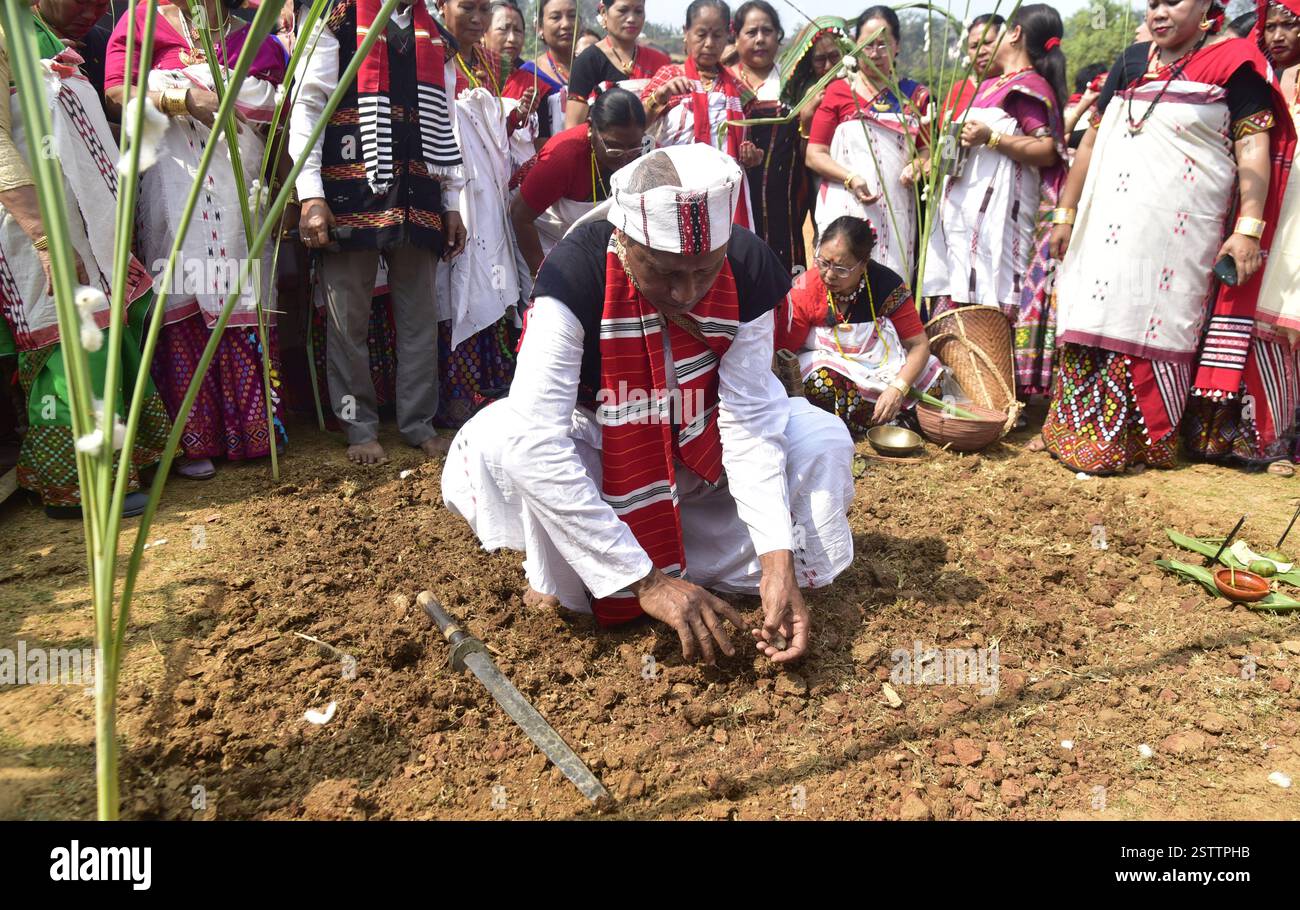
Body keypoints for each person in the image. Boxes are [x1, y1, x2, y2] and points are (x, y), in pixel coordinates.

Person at [442, 144, 856, 664]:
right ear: (624, 238)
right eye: (665, 272)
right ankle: (604, 573)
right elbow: (534, 445)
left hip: (704, 447)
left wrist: (777, 559)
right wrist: (649, 583)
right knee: (502, 441)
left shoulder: (748, 266)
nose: (686, 292)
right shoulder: (576, 273)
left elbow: (749, 418)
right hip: (608, 451)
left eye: (704, 273)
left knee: (820, 436)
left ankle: (747, 571)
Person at [1041, 0, 1294, 475]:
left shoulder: (1235, 63)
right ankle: (1071, 431)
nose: (1159, 12)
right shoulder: (1133, 61)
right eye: (1152, 2)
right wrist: (1065, 213)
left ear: (1207, 7)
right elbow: (1093, 140)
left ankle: (1141, 441)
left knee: (1148, 318)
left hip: (1176, 232)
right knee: (1096, 308)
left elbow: (1253, 148)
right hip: (1106, 224)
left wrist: (1248, 229)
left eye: (1173, 1)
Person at [105, 0, 288, 480]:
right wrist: (183, 98)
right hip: (175, 187)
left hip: (238, 187)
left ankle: (252, 430)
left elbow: (277, 110)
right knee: (183, 286)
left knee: (241, 287)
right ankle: (195, 437)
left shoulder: (256, 36)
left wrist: (226, 89)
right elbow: (116, 89)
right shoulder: (142, 19)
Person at [0, 0, 169, 518]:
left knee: (98, 338)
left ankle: (114, 472)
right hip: (39, 231)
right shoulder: (4, 32)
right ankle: (73, 490)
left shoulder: (43, 37)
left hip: (84, 231)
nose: (96, 11)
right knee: (66, 346)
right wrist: (46, 238)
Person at [290, 0, 467, 465]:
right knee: (347, 320)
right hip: (349, 192)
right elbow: (307, 106)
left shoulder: (436, 38)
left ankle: (418, 424)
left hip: (419, 194)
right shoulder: (335, 21)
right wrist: (311, 196)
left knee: (420, 318)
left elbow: (443, 121)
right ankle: (357, 425)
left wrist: (450, 201)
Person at [921, 3, 1066, 401]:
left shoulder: (1029, 87)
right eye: (972, 45)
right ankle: (966, 387)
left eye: (987, 40)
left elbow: (1047, 150)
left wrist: (992, 138)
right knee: (959, 287)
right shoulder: (987, 86)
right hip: (963, 212)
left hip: (1000, 218)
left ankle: (998, 390)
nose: (980, 51)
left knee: (993, 287)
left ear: (1014, 33)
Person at [1184, 0, 1300, 466]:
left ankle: (1270, 438)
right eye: (1268, 26)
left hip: (1292, 212)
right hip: (1251, 204)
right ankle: (1221, 435)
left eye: (1288, 25)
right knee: (1235, 307)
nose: (1276, 35)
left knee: (1277, 323)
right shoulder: (1256, 78)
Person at [437, 0, 527, 427]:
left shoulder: (491, 63)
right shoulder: (431, 52)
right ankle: (455, 394)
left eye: (483, 9)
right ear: (441, 6)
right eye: (467, 8)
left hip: (488, 190)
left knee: (492, 274)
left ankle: (490, 381)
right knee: (456, 284)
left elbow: (489, 131)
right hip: (451, 190)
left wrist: (510, 118)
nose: (477, 18)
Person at [776, 216, 942, 433]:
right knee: (821, 380)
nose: (829, 274)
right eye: (824, 262)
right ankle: (888, 420)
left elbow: (919, 345)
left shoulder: (886, 284)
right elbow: (784, 351)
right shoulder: (806, 288)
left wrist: (898, 388)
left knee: (933, 373)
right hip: (838, 376)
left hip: (884, 370)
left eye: (841, 269)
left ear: (863, 264)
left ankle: (879, 416)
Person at [806, 6, 931, 280]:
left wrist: (919, 165)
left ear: (896, 46)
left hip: (897, 212)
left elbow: (926, 149)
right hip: (847, 207)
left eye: (882, 45)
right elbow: (815, 153)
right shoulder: (839, 91)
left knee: (891, 284)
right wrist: (850, 177)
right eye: (867, 45)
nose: (874, 53)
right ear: (854, 46)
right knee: (841, 279)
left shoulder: (915, 96)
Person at [640, 0, 762, 226]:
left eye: (717, 36)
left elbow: (746, 143)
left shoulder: (739, 90)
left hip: (724, 197)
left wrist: (751, 156)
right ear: (686, 33)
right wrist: (660, 97)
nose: (709, 43)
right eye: (701, 34)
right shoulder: (670, 75)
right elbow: (635, 125)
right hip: (674, 189)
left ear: (728, 36)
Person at [510, 87, 646, 279]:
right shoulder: (564, 156)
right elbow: (519, 214)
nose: (624, 158)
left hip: (581, 239)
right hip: (537, 234)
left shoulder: (642, 150)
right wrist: (540, 274)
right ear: (591, 128)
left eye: (632, 148)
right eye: (613, 147)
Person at [727, 1, 808, 271]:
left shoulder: (792, 80)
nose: (760, 39)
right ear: (736, 37)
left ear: (778, 35)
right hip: (733, 195)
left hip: (782, 196)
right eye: (751, 32)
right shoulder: (725, 81)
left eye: (768, 31)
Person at [565, 0, 670, 127]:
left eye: (638, 11)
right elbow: (573, 127)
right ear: (604, 12)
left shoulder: (660, 62)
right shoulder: (587, 62)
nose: (632, 18)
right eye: (623, 10)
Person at [501, 0, 575, 145]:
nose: (566, 24)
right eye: (555, 17)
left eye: (572, 16)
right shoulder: (530, 76)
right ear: (539, 27)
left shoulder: (593, 66)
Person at [941, 13, 1004, 122]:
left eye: (987, 43)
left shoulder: (1017, 86)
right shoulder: (959, 91)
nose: (980, 52)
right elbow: (947, 137)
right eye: (974, 46)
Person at [485, 0, 525, 67]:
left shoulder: (532, 74)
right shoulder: (468, 71)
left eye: (517, 30)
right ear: (483, 34)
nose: (512, 39)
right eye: (503, 29)